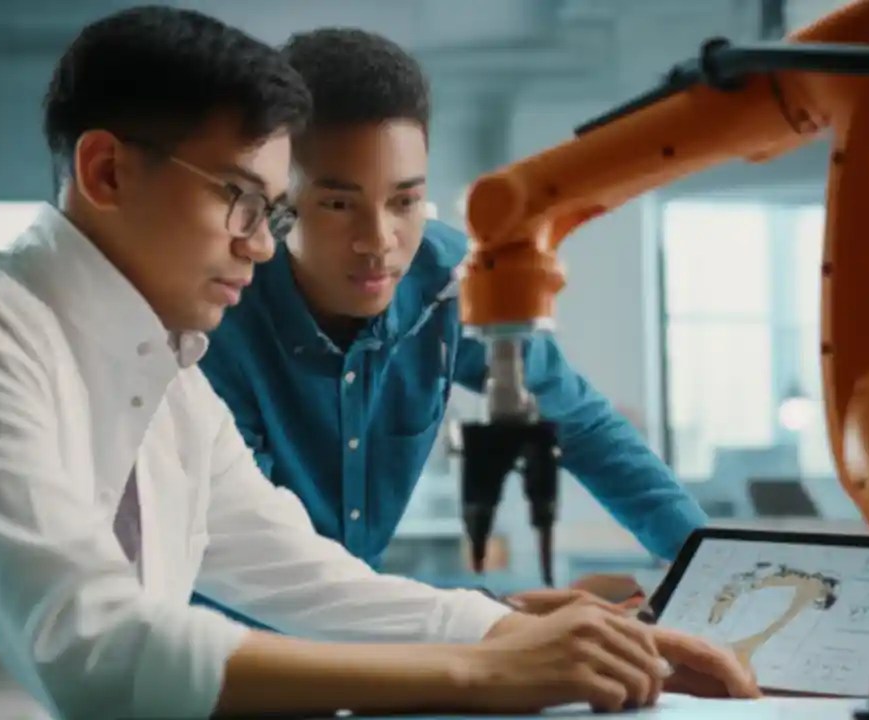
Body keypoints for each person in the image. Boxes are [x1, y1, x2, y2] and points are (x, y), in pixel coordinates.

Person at [0, 7, 758, 719]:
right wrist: (490, 672)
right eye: (241, 201)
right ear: (107, 171)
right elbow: (98, 654)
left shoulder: (169, 380)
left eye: (271, 212)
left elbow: (307, 576)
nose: (263, 247)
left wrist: (517, 633)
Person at [198, 27, 709, 607]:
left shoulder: (449, 279)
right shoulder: (217, 323)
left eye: (405, 201)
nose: (379, 241)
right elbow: (266, 565)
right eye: (339, 204)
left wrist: (712, 566)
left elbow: (583, 427)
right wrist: (501, 622)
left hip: (368, 622)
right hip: (231, 633)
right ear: (278, 202)